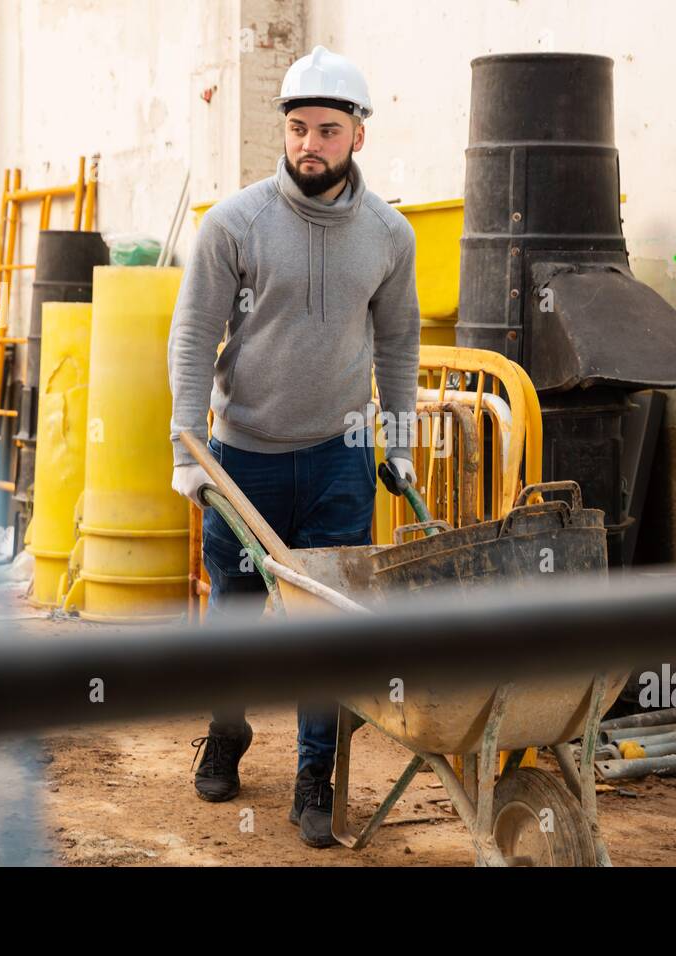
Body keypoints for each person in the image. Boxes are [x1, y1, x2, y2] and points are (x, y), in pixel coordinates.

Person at [166, 45, 420, 847]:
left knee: (327, 625)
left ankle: (317, 773)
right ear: (284, 129)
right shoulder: (233, 224)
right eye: (299, 127)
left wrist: (401, 439)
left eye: (329, 130)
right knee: (236, 615)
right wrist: (187, 448)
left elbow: (401, 343)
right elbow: (193, 335)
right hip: (243, 461)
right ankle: (229, 727)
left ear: (358, 137)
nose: (311, 144)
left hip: (339, 460)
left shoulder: (389, 235)